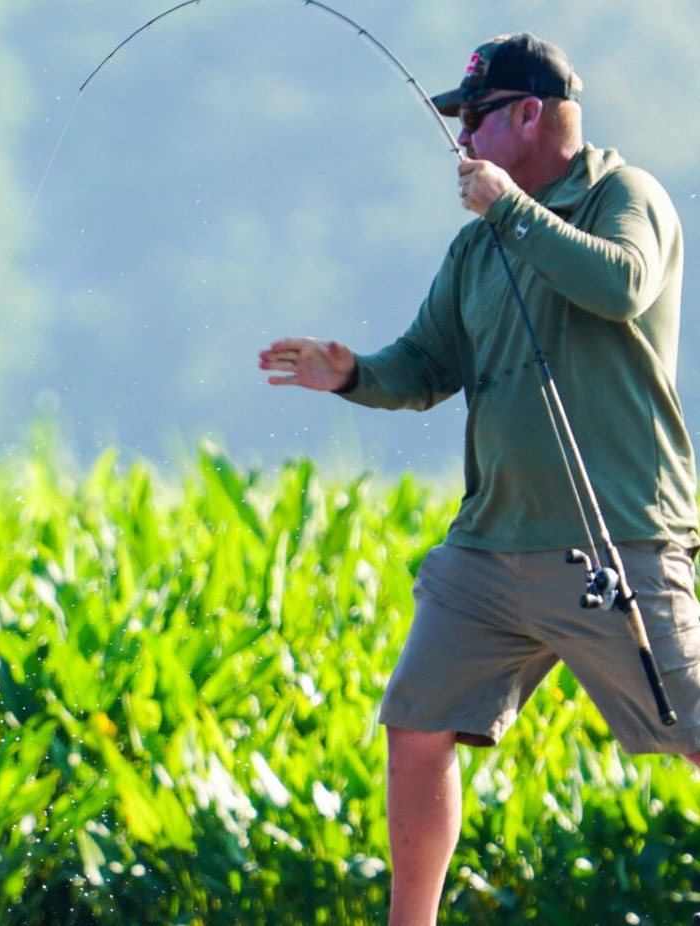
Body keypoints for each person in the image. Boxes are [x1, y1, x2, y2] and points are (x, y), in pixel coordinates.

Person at [258, 32, 700, 926]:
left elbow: (620, 285)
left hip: (617, 541)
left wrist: (509, 212)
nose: (462, 143)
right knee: (416, 726)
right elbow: (425, 365)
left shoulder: (626, 197)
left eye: (476, 121)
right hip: (490, 549)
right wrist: (349, 373)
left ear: (529, 114)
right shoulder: (474, 250)